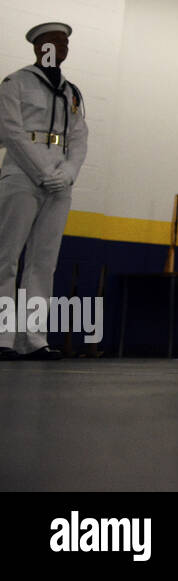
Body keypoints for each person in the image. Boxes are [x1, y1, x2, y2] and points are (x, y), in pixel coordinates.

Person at [0, 22, 89, 360]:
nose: (60, 48)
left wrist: (68, 172)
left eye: (65, 42)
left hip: (59, 180)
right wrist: (41, 171)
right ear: (38, 47)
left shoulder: (72, 92)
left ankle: (32, 339)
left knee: (43, 261)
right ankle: (3, 338)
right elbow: (10, 132)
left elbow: (79, 138)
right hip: (22, 175)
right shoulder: (15, 83)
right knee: (6, 258)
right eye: (53, 42)